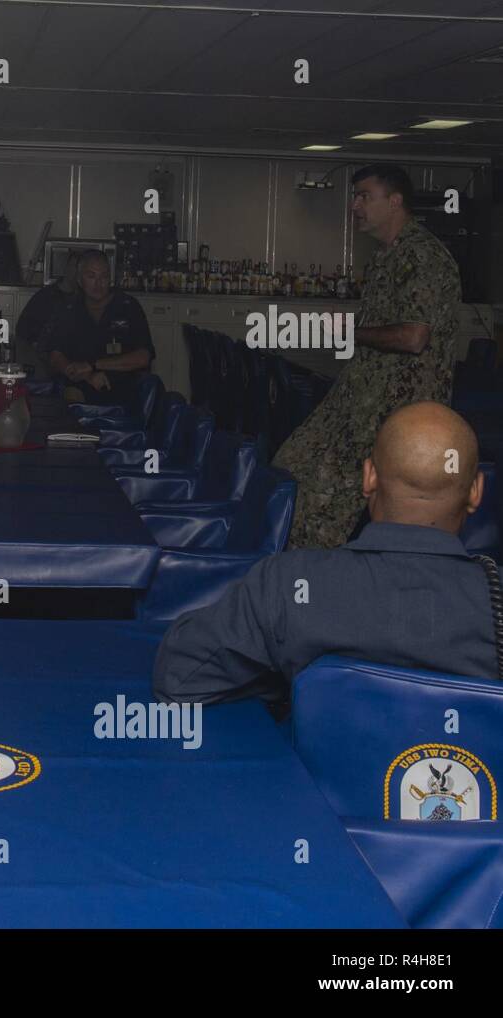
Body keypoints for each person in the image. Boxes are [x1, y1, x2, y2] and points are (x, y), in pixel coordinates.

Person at [153, 402, 495, 707]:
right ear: (477, 491)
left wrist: (280, 676)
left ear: (369, 477)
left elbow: (178, 676)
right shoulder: (493, 604)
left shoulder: (289, 585)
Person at [274, 163, 463, 549]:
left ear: (395, 202)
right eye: (354, 196)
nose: (355, 205)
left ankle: (310, 581)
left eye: (364, 196)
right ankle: (293, 569)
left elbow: (413, 337)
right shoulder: (383, 258)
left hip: (399, 411)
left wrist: (348, 331)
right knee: (289, 465)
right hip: (362, 400)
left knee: (322, 494)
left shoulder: (422, 256)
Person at [36, 250, 152, 404]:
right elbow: (56, 356)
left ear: (110, 279)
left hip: (122, 392)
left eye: (104, 276)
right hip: (79, 389)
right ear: (79, 279)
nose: (98, 283)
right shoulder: (69, 309)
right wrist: (87, 375)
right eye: (91, 276)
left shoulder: (128, 307)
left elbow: (144, 357)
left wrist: (93, 365)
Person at [16, 255, 81, 369]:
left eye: (80, 269)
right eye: (74, 267)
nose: (76, 272)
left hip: (72, 363)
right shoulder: (45, 296)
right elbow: (22, 328)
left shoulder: (83, 300)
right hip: (44, 361)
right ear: (66, 268)